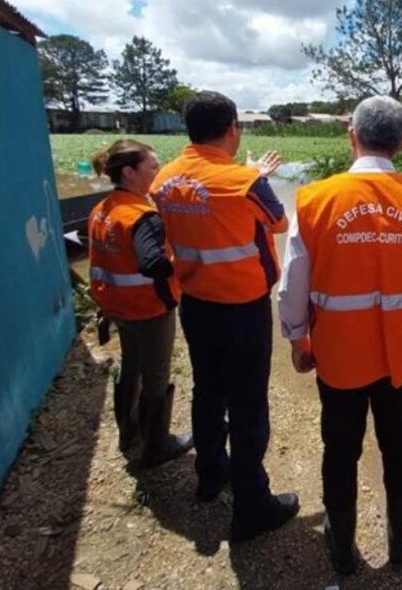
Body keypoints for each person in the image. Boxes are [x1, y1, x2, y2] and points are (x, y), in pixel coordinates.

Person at [278, 95, 402, 575]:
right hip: (400, 356)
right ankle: (399, 544)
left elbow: (293, 280)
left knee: (341, 449)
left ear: (351, 135)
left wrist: (297, 339)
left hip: (338, 357)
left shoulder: (314, 199)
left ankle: (342, 551)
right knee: (398, 444)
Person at [150, 91, 299, 541]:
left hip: (196, 304)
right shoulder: (243, 182)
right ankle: (253, 507)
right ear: (233, 128)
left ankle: (211, 474)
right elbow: (279, 224)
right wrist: (256, 177)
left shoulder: (164, 179)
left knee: (208, 390)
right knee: (248, 405)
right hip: (243, 310)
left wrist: (251, 175)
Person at [87, 139, 194, 469]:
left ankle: (127, 433)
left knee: (129, 366)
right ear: (130, 172)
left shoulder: (102, 209)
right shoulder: (142, 216)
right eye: (152, 166)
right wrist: (182, 261)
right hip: (149, 309)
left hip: (117, 306)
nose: (158, 172)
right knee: (156, 376)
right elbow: (151, 263)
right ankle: (156, 446)